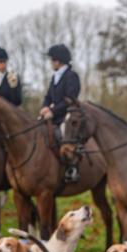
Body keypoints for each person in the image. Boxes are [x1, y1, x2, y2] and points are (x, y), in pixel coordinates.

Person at [39, 44, 82, 183]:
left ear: (58, 61)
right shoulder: (55, 77)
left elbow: (69, 100)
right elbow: (48, 96)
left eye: (52, 60)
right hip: (53, 116)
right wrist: (44, 107)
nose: (51, 62)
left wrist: (52, 110)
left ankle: (72, 168)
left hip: (67, 116)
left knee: (63, 137)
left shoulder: (71, 76)